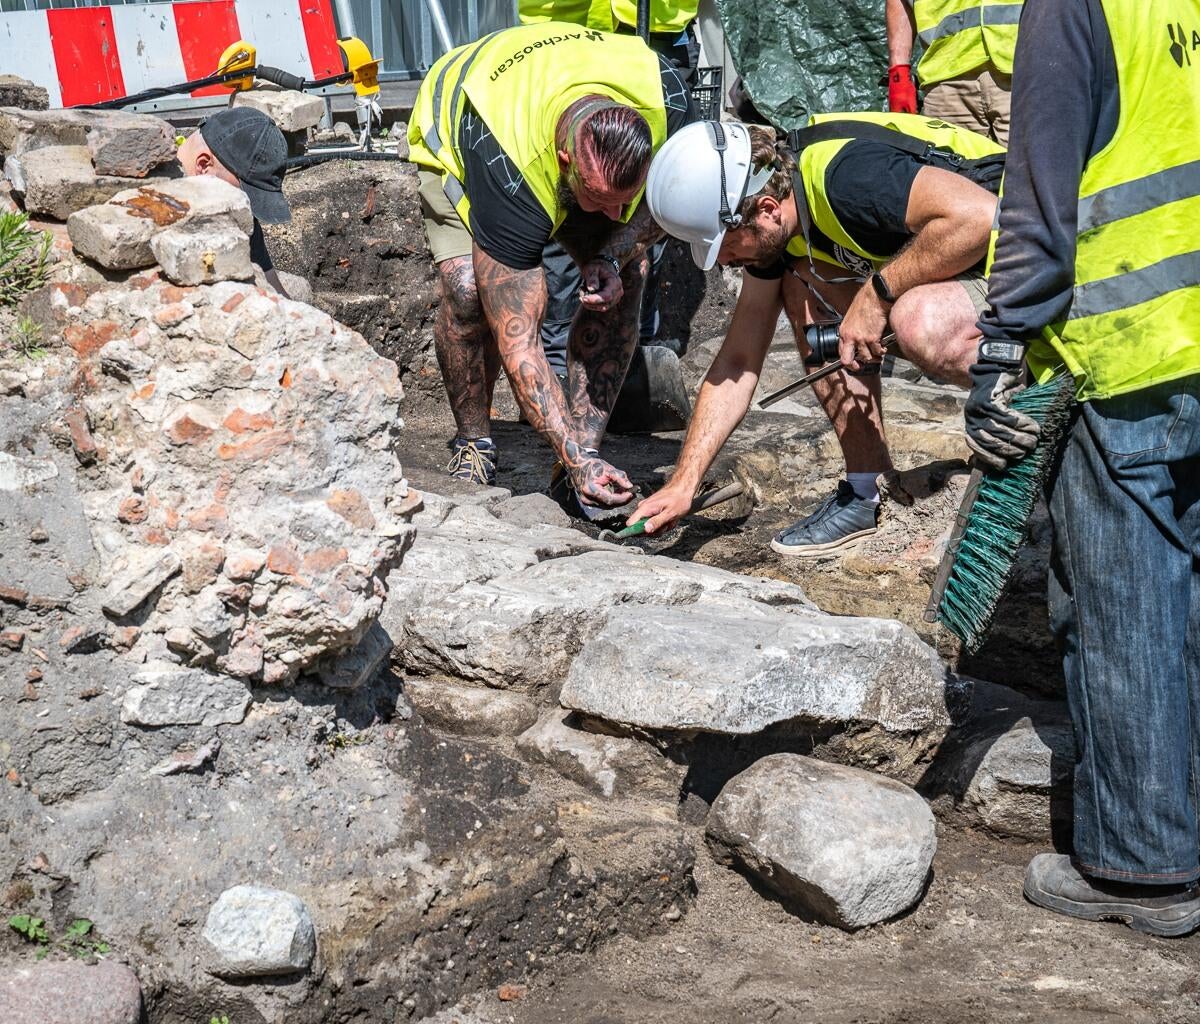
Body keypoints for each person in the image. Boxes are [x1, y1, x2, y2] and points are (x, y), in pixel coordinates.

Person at [969, 0, 1200, 936]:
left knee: (1125, 602)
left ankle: (1142, 869)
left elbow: (1039, 193)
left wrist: (1000, 349)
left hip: (1133, 344)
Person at [632, 113, 1002, 554]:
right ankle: (867, 489)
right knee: (802, 278)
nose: (724, 261)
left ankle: (1033, 417)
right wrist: (683, 483)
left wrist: (876, 294)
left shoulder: (847, 178)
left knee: (919, 320)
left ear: (765, 211)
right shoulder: (782, 225)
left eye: (725, 245)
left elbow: (980, 217)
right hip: (979, 259)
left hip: (1038, 256)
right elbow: (737, 360)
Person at [407, 23, 695, 514]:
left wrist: (611, 255)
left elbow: (667, 205)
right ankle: (475, 442)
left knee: (624, 275)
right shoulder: (508, 163)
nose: (610, 217)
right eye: (599, 201)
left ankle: (580, 459)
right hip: (464, 124)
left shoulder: (668, 101)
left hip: (561, 101)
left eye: (621, 203)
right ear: (565, 161)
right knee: (469, 294)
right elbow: (519, 338)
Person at [518, 0, 700, 372]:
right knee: (570, 194)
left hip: (658, 29)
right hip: (563, 30)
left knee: (654, 190)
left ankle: (634, 347)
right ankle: (558, 358)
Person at [177, 106, 295, 298]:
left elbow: (275, 291)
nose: (246, 206)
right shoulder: (150, 210)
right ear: (204, 165)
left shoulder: (234, 208)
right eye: (245, 194)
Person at [885, 0, 1021, 145]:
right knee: (948, 164)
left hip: (1022, 68)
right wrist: (898, 73)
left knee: (1031, 165)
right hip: (945, 76)